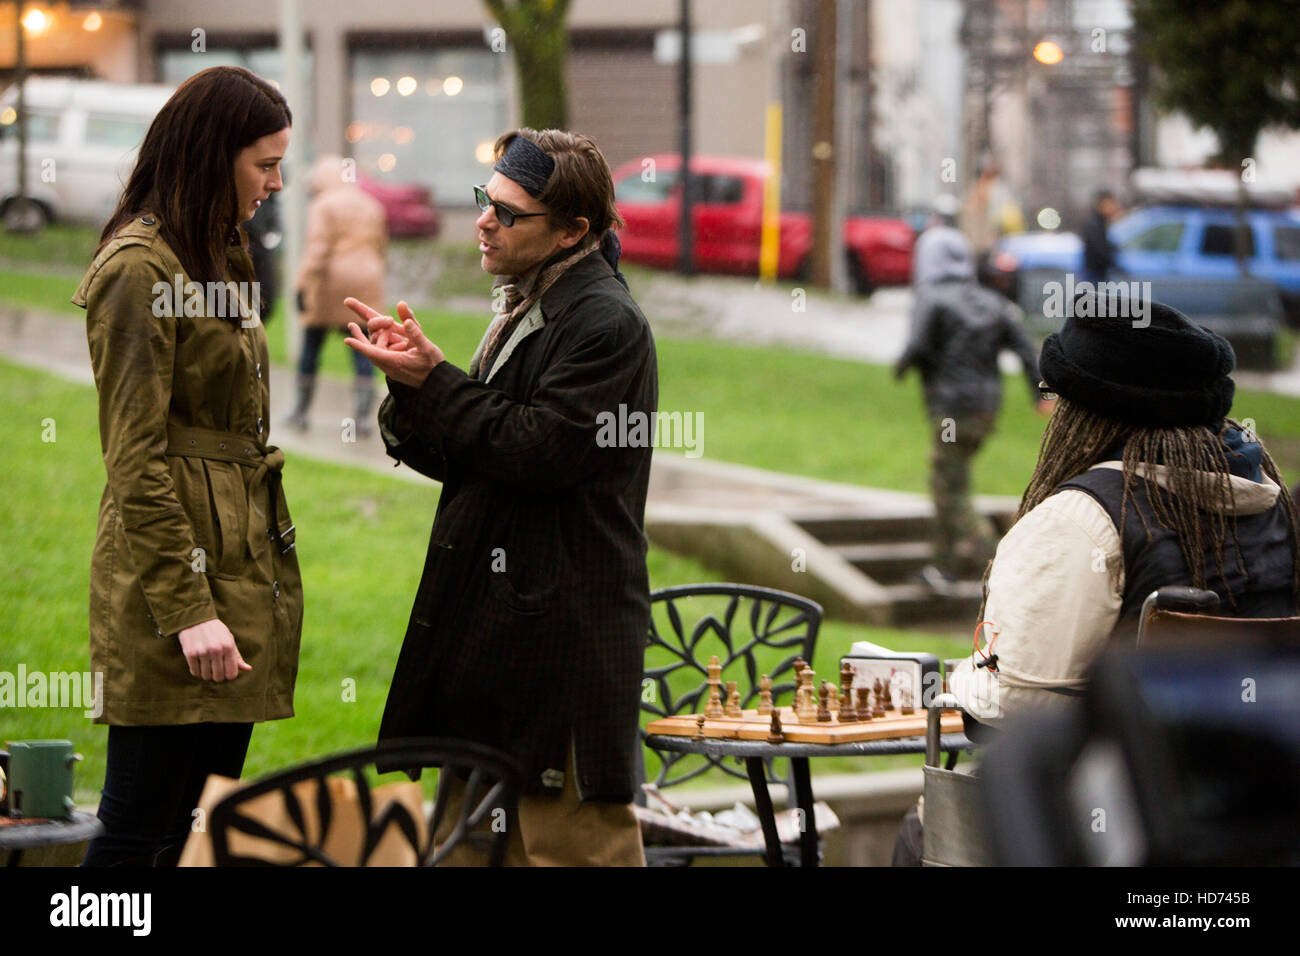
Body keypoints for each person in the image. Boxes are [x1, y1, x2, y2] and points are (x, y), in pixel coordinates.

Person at [342, 128, 657, 866]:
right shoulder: (528, 304)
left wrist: (438, 384)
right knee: (464, 854)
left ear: (573, 231)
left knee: (567, 854)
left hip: (563, 655)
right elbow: (480, 457)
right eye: (489, 200)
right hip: (500, 647)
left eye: (510, 213)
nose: (485, 219)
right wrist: (412, 388)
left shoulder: (606, 322)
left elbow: (539, 449)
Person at [74, 66, 302, 867]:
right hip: (173, 585)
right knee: (139, 830)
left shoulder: (218, 251)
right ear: (213, 155)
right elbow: (134, 460)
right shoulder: (140, 269)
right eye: (264, 163)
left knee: (200, 825)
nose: (276, 182)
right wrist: (186, 609)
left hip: (238, 568)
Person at [949, 297, 1299, 728]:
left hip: (1128, 790)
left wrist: (961, 679)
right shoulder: (1273, 500)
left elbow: (1018, 705)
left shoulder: (1080, 519)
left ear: (1083, 414)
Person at [895, 225, 1049, 592]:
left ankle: (998, 564)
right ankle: (943, 566)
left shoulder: (932, 297)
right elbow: (1026, 349)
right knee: (951, 478)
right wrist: (1039, 393)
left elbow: (917, 345)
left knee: (949, 490)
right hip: (985, 409)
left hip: (951, 409)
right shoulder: (992, 302)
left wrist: (904, 366)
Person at [281, 155, 387, 435]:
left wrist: (301, 285)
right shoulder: (370, 204)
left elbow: (318, 251)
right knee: (363, 349)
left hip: (331, 283)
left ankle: (301, 411)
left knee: (311, 345)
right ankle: (363, 417)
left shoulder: (324, 205)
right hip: (367, 281)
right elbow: (381, 246)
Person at [1081, 188, 1121, 284]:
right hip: (1095, 276)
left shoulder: (1099, 223)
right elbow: (1101, 250)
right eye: (1110, 204)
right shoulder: (1094, 225)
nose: (1113, 207)